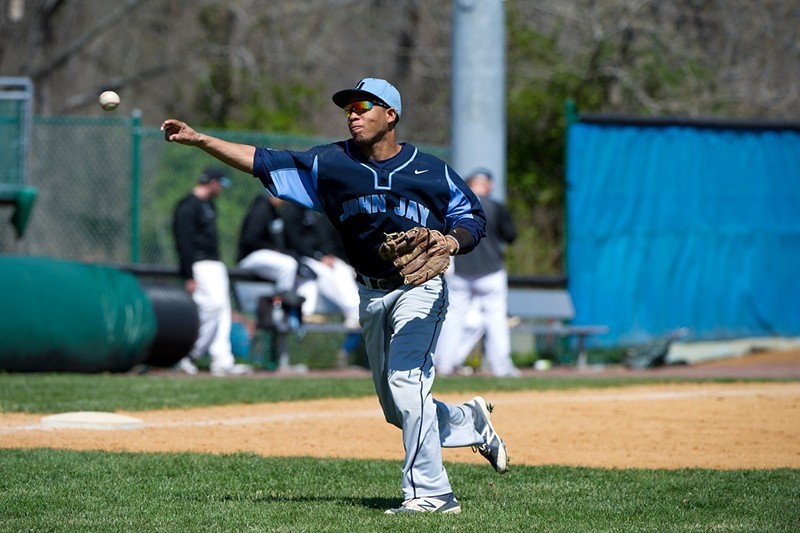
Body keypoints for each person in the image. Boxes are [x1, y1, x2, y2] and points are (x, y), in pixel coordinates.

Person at [161, 77, 508, 514]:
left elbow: (471, 216)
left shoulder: (430, 169)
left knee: (407, 383)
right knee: (398, 407)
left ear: (391, 115)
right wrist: (200, 140)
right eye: (348, 108)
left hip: (421, 287)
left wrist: (451, 242)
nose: (353, 113)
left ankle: (431, 495)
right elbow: (262, 161)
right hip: (371, 293)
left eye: (364, 106)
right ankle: (470, 421)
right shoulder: (331, 163)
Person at [435, 169, 520, 377]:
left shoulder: (453, 207)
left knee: (453, 319)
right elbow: (511, 236)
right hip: (491, 272)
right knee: (496, 319)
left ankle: (444, 365)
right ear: (487, 185)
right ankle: (501, 367)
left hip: (461, 272)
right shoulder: (496, 207)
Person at [172, 167, 253, 377]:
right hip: (200, 265)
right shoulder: (187, 206)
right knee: (212, 306)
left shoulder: (209, 205)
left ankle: (222, 361)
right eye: (220, 184)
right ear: (213, 183)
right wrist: (189, 274)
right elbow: (184, 243)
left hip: (215, 264)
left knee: (223, 311)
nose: (221, 189)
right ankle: (189, 354)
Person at [281, 201, 362, 366]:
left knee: (342, 270)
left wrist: (327, 255)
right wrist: (318, 256)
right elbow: (294, 241)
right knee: (323, 274)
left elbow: (324, 241)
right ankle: (352, 312)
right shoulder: (291, 211)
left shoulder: (312, 212)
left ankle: (355, 313)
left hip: (321, 258)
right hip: (305, 260)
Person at [236, 192, 300, 312]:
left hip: (264, 257)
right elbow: (249, 239)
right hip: (250, 256)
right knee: (288, 265)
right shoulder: (261, 209)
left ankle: (282, 310)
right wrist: (271, 248)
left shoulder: (274, 212)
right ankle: (280, 308)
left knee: (295, 267)